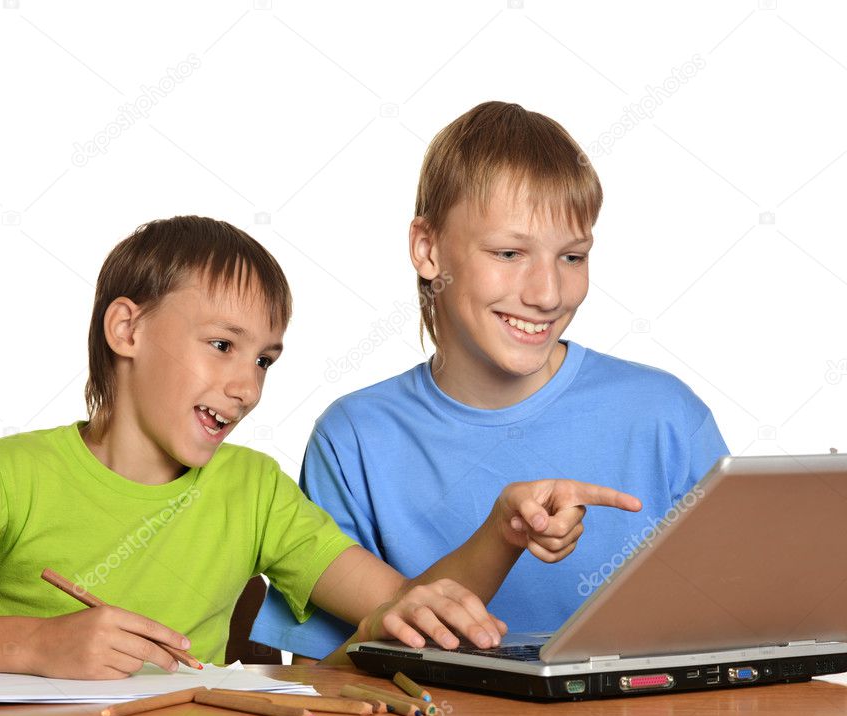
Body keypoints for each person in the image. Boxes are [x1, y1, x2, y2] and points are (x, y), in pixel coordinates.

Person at [0, 215, 636, 679]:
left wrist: (502, 534)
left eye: (265, 360)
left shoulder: (254, 489)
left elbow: (404, 610)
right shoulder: (8, 476)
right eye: (222, 345)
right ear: (127, 331)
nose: (246, 386)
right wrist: (34, 647)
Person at [250, 102, 729, 660]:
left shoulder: (665, 415)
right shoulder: (354, 438)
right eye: (509, 252)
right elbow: (327, 688)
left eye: (573, 256)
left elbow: (747, 628)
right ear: (427, 250)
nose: (548, 293)